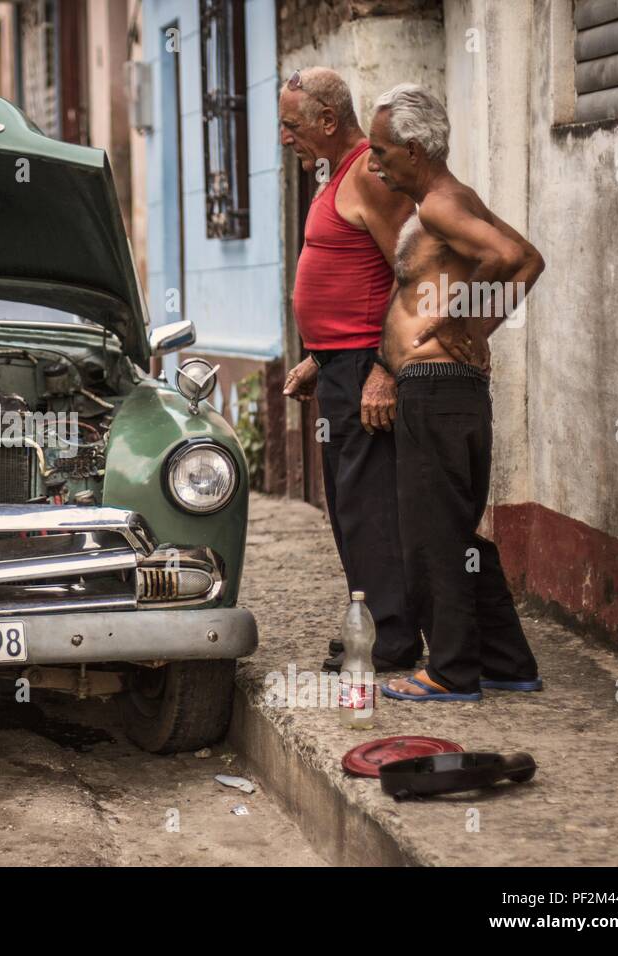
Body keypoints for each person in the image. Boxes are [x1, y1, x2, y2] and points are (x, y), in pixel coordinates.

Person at [365, 84, 544, 703]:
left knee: (432, 537)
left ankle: (449, 671)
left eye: (383, 151)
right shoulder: (452, 199)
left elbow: (512, 257)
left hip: (437, 390)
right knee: (457, 532)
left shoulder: (441, 205)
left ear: (414, 150)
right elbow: (528, 259)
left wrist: (454, 325)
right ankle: (506, 661)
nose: (374, 162)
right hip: (450, 390)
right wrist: (475, 326)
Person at [278, 67, 422, 672]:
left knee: (368, 504)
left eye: (292, 125)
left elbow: (412, 274)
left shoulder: (370, 173)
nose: (285, 138)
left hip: (368, 365)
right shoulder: (335, 173)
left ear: (329, 121)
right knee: (346, 501)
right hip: (341, 363)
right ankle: (373, 623)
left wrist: (384, 368)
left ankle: (391, 638)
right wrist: (319, 356)